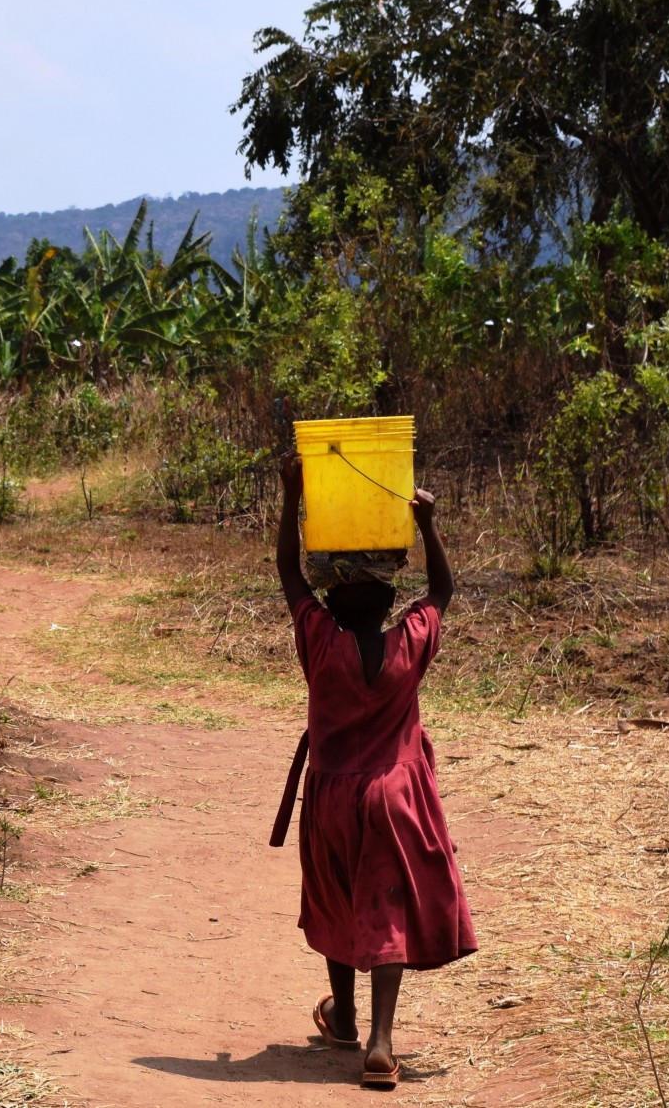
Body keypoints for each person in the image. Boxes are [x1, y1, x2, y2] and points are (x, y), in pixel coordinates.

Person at [269, 453, 477, 1090]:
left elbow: (288, 573)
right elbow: (441, 592)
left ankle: (346, 1016)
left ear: (330, 598)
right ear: (391, 598)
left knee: (335, 896)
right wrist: (428, 524)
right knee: (386, 903)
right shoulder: (407, 643)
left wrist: (293, 494)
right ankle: (381, 1045)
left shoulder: (319, 641)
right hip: (394, 794)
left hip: (332, 794)